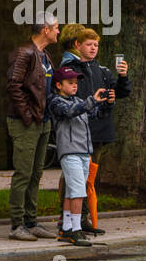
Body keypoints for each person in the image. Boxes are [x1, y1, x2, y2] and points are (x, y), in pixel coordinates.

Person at [59, 25, 130, 235]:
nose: (93, 48)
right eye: (89, 45)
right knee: (74, 177)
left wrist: (123, 78)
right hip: (79, 131)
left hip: (98, 129)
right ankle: (68, 222)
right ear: (77, 45)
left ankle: (83, 219)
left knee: (89, 178)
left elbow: (119, 91)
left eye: (96, 45)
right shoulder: (71, 70)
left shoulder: (101, 70)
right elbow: (70, 98)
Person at [5, 14, 60, 241]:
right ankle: (17, 224)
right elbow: (13, 85)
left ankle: (31, 221)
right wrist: (27, 116)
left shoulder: (45, 55)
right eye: (56, 28)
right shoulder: (24, 53)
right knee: (24, 174)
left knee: (36, 174)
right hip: (26, 122)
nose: (59, 32)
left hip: (43, 121)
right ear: (45, 29)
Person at [47, 65, 111, 246]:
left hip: (84, 151)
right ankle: (76, 230)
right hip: (70, 152)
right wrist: (91, 100)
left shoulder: (79, 101)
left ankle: (66, 227)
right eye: (70, 82)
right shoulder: (56, 102)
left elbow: (97, 114)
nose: (74, 85)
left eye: (75, 82)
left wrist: (107, 104)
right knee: (77, 192)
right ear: (58, 85)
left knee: (72, 191)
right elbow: (70, 112)